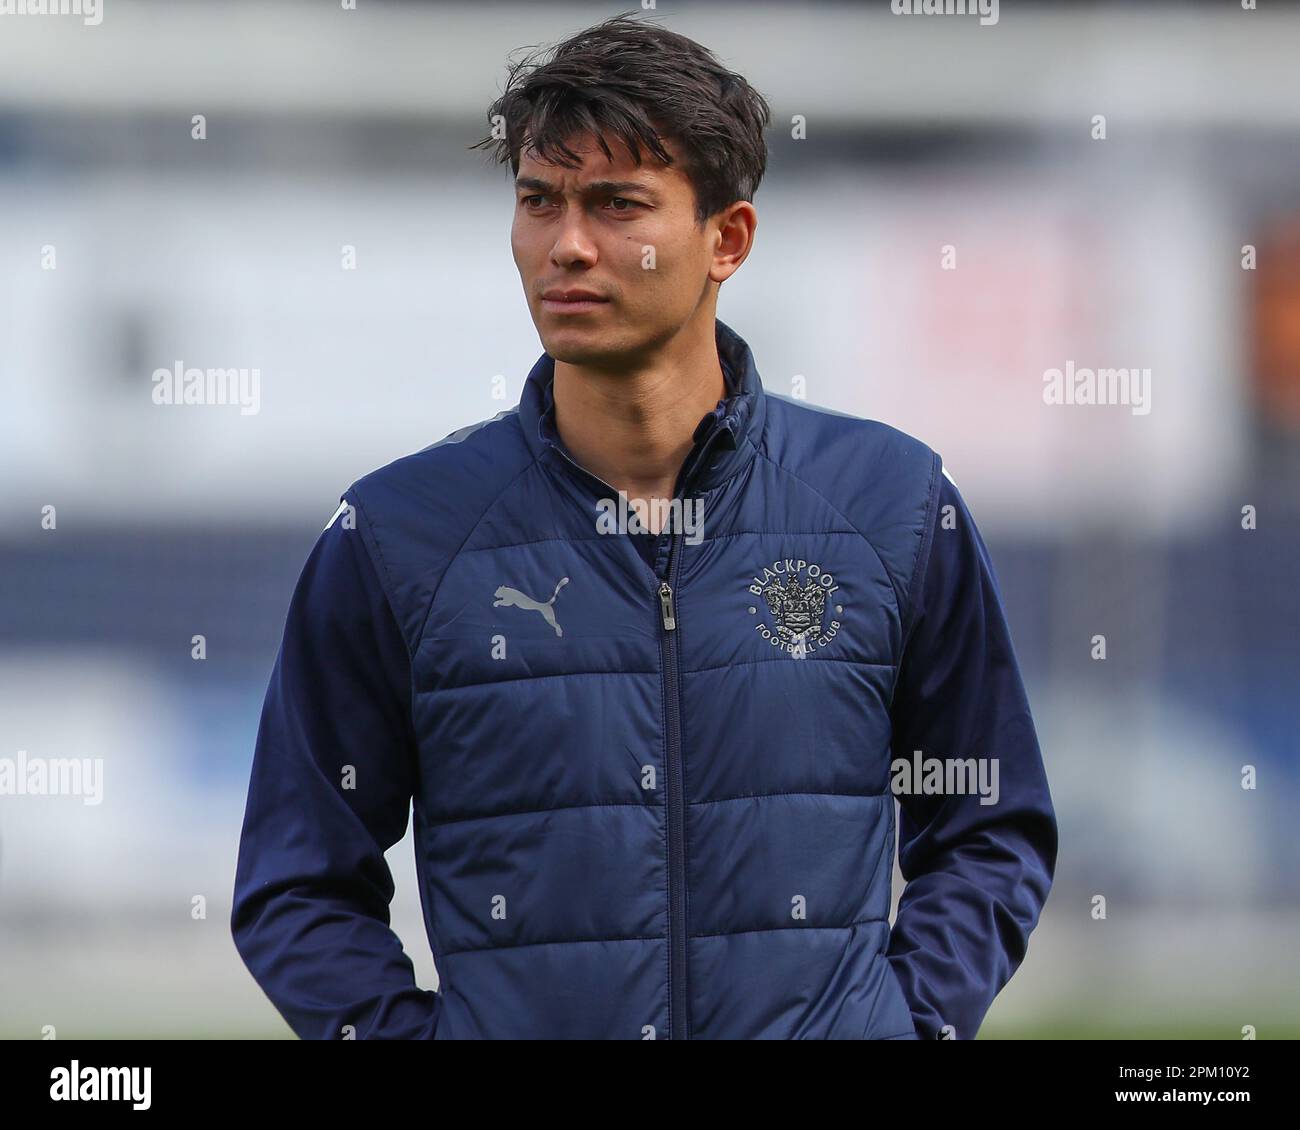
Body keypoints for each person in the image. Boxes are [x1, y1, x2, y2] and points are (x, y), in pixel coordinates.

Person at [231, 13, 1057, 1040]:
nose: (566, 244)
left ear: (728, 239)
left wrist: (908, 1019)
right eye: (540, 201)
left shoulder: (889, 503)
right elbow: (296, 881)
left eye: (617, 204)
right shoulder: (400, 532)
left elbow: (989, 821)